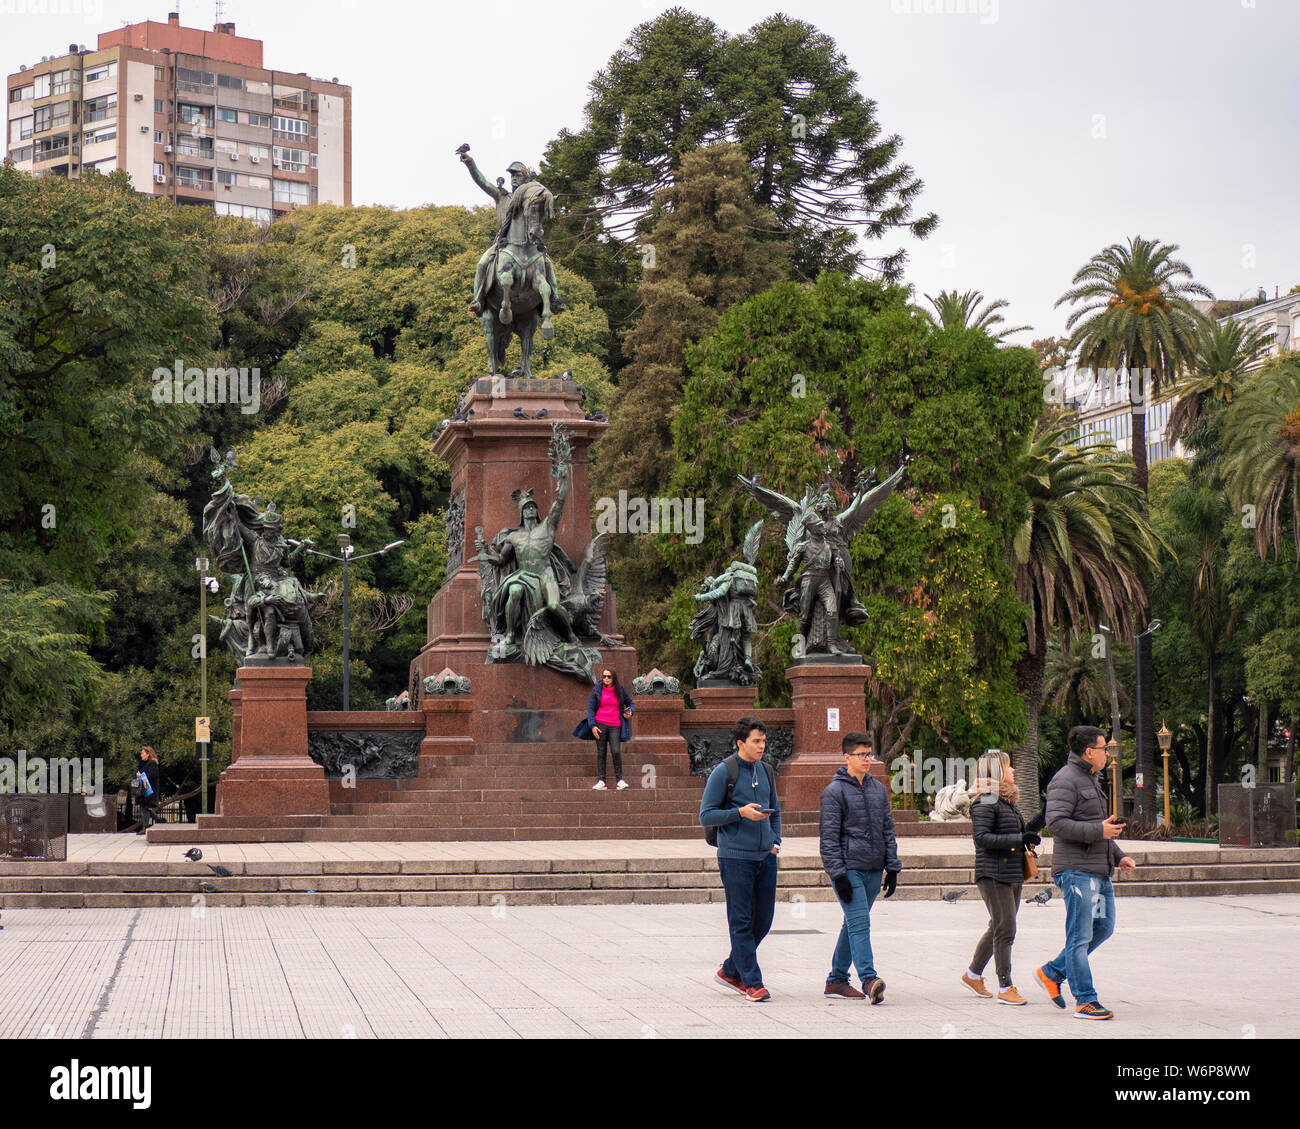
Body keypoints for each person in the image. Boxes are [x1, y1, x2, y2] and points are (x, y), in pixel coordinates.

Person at [1035, 725, 1136, 1020]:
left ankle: (1052, 972)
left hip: (1099, 872)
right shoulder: (1064, 780)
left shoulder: (1091, 779)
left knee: (1103, 927)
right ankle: (1085, 1000)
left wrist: (1119, 856)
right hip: (1076, 872)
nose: (1108, 753)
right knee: (1079, 936)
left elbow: (1099, 828)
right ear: (1089, 752)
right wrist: (1098, 830)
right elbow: (1055, 825)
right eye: (1105, 749)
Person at [699, 718, 782, 1003]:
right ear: (740, 743)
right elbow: (706, 815)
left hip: (765, 856)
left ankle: (730, 970)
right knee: (741, 920)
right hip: (735, 857)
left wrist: (775, 842)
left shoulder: (767, 771)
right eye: (756, 741)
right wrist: (740, 813)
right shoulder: (724, 772)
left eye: (763, 740)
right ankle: (752, 982)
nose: (762, 746)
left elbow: (777, 811)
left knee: (764, 920)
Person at [819, 732, 900, 1003]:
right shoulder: (834, 792)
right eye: (861, 755)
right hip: (849, 869)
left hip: (874, 869)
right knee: (860, 923)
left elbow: (887, 829)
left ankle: (836, 979)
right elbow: (829, 838)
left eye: (869, 754)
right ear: (846, 758)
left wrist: (893, 867)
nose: (867, 759)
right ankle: (869, 979)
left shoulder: (878, 789)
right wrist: (838, 874)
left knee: (851, 924)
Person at [962, 750, 1038, 1005]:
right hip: (993, 873)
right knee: (1006, 927)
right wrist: (1019, 840)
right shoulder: (985, 802)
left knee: (998, 925)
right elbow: (981, 839)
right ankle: (1005, 986)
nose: (1014, 770)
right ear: (996, 771)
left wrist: (1041, 820)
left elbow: (1021, 832)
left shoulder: (1007, 802)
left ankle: (973, 974)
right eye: (1009, 766)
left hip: (1011, 871)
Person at [579, 668, 634, 790]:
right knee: (601, 752)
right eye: (604, 676)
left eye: (609, 677)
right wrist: (593, 725)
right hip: (600, 725)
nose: (606, 679)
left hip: (615, 725)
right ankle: (602, 781)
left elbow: (631, 703)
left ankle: (619, 780)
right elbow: (590, 709)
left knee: (615, 751)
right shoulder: (597, 690)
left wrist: (630, 711)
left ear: (613, 678)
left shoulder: (620, 690)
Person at [134, 747, 160, 834]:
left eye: (142, 753)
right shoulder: (145, 764)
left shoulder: (152, 763)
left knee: (145, 807)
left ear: (148, 754)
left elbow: (152, 775)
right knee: (145, 807)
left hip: (149, 790)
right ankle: (158, 821)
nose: (141, 755)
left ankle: (146, 827)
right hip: (144, 790)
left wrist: (140, 776)